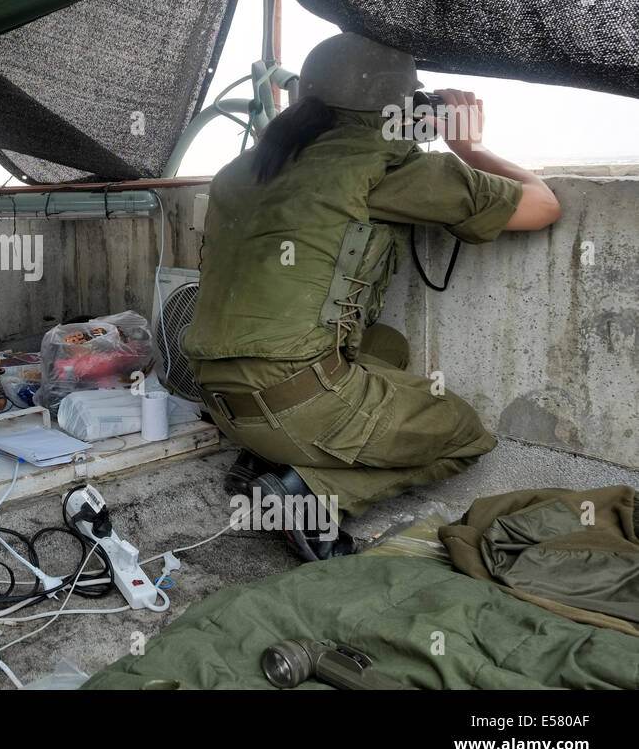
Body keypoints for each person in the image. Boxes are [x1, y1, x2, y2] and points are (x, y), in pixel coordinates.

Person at [183, 32, 561, 561]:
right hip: (292, 409)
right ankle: (309, 496)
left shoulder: (246, 166)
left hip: (219, 398)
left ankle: (264, 461)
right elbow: (542, 206)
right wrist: (467, 145)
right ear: (396, 107)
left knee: (385, 346)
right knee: (465, 433)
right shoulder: (384, 165)